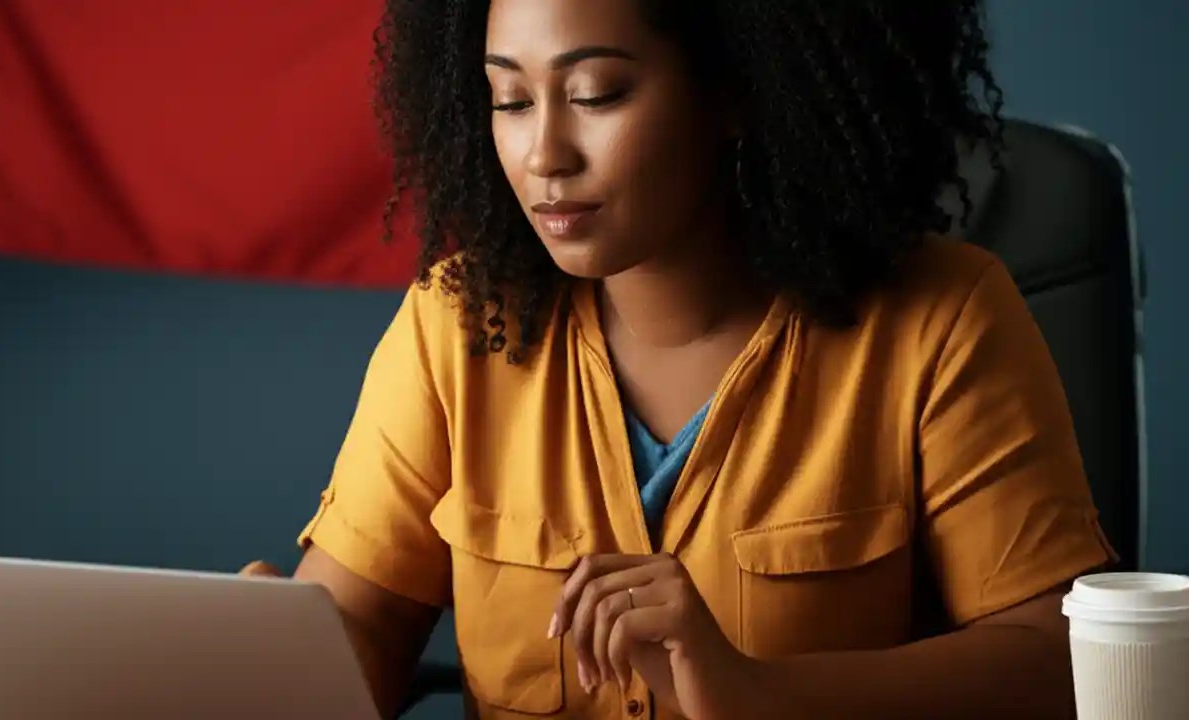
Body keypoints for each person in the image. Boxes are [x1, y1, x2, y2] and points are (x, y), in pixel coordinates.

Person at [244, 0, 1116, 717]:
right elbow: (356, 632)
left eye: (595, 95)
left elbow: (1058, 664)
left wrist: (754, 692)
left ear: (732, 92)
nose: (545, 155)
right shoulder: (458, 326)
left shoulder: (940, 320)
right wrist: (257, 655)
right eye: (510, 101)